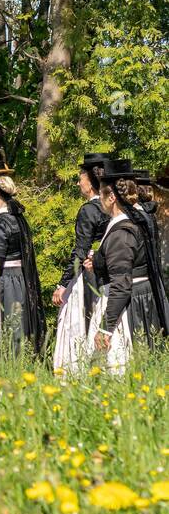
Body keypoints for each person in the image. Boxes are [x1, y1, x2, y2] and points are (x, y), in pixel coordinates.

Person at [84, 159, 169, 374]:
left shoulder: (122, 233)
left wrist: (105, 328)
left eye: (102, 194)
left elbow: (121, 285)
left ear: (111, 197)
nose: (99, 200)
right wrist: (99, 261)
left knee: (116, 371)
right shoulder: (133, 223)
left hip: (127, 308)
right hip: (138, 299)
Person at [0, 161, 46, 361]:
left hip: (6, 282)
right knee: (19, 330)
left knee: (7, 330)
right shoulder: (19, 219)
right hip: (21, 280)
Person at [53, 152, 110, 374]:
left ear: (91, 182)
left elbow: (80, 250)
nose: (78, 182)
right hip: (107, 272)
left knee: (80, 321)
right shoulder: (111, 206)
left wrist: (63, 283)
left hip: (87, 273)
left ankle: (75, 370)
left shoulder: (89, 209)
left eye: (81, 178)